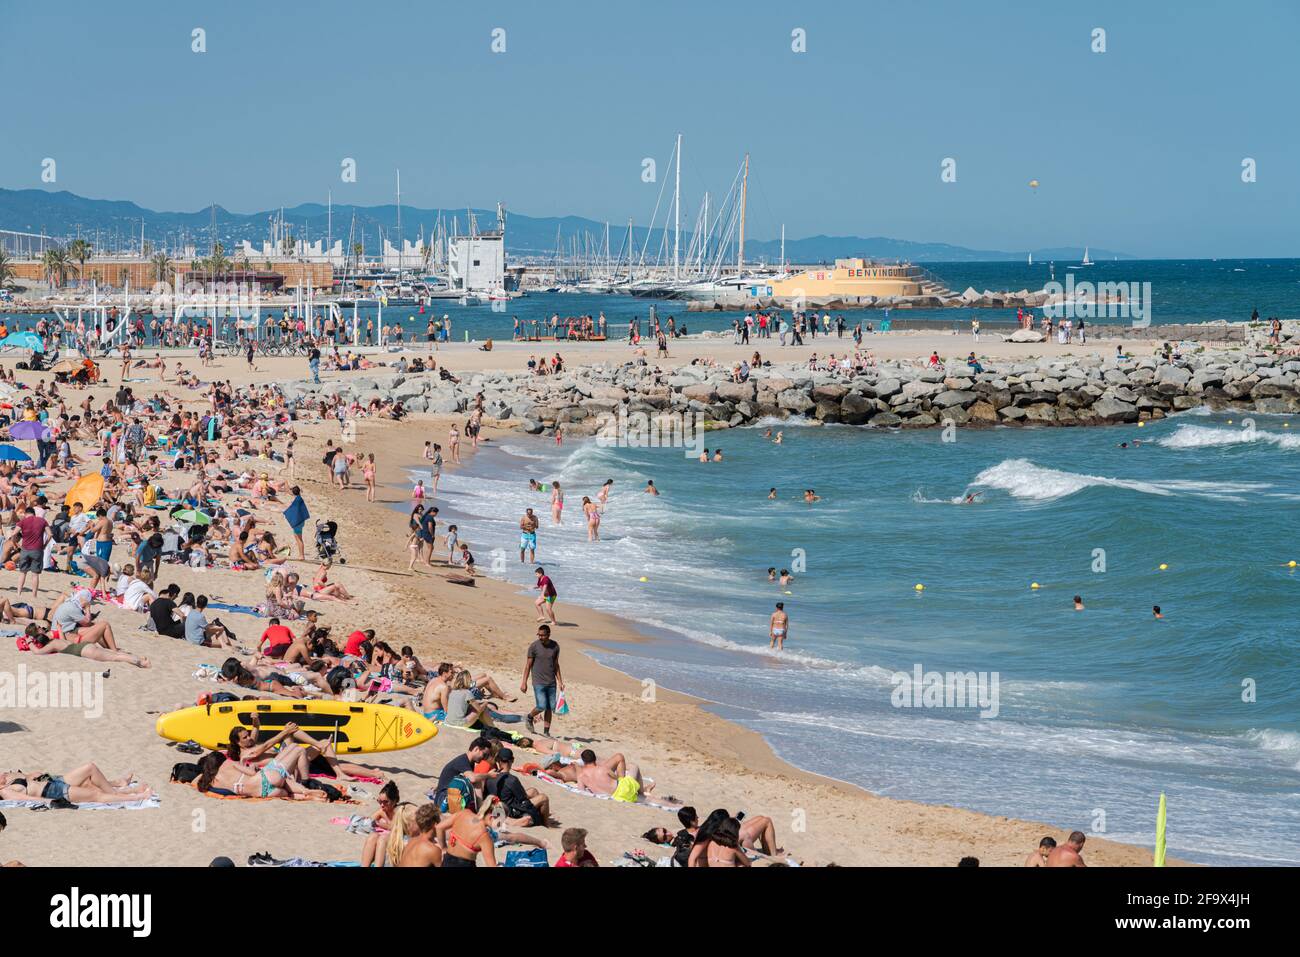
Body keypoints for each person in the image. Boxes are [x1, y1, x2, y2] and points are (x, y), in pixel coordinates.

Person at [488, 748, 550, 827]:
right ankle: (546, 825)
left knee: (533, 791)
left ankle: (540, 816)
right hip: (511, 811)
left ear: (499, 761)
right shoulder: (512, 780)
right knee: (543, 798)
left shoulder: (490, 776)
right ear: (512, 761)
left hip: (499, 806)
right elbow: (523, 798)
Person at [521, 624, 563, 736]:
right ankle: (530, 717)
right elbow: (528, 665)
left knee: (550, 707)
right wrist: (524, 682)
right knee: (541, 706)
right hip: (538, 681)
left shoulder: (555, 646)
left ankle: (546, 732)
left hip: (551, 682)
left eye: (542, 635)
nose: (540, 637)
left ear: (548, 635)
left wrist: (560, 681)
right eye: (538, 635)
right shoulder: (534, 647)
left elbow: (556, 665)